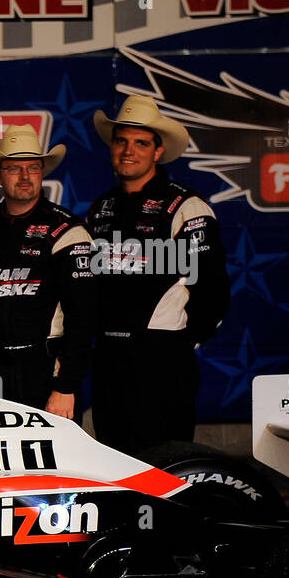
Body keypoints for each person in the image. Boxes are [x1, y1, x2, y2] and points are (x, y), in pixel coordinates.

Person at [85, 95, 230, 453]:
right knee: (114, 460)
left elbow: (213, 289)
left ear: (158, 151)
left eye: (141, 143)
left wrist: (178, 343)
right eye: (121, 141)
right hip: (108, 356)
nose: (128, 150)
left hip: (162, 358)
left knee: (166, 463)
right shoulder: (101, 207)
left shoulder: (186, 206)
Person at [0, 125, 95, 417]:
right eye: (14, 168)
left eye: (33, 167)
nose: (25, 177)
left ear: (42, 171)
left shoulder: (68, 231)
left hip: (45, 370)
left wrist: (66, 387)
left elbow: (83, 319)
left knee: (52, 461)